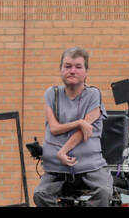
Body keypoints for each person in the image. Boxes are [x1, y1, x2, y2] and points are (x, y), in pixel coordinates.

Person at [33, 47, 110, 207]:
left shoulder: (94, 94)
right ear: (61, 70)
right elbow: (54, 128)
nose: (72, 71)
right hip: (56, 168)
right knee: (40, 195)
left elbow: (82, 134)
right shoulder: (51, 94)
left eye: (78, 67)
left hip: (90, 165)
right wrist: (79, 123)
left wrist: (63, 150)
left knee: (104, 192)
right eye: (67, 66)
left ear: (86, 72)